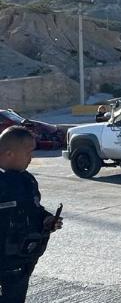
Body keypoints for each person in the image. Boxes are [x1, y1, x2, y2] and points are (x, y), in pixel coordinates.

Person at [0, 127, 63, 302]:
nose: (31, 158)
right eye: (28, 153)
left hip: (20, 261)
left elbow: (33, 209)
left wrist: (47, 219)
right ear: (9, 154)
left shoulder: (27, 180)